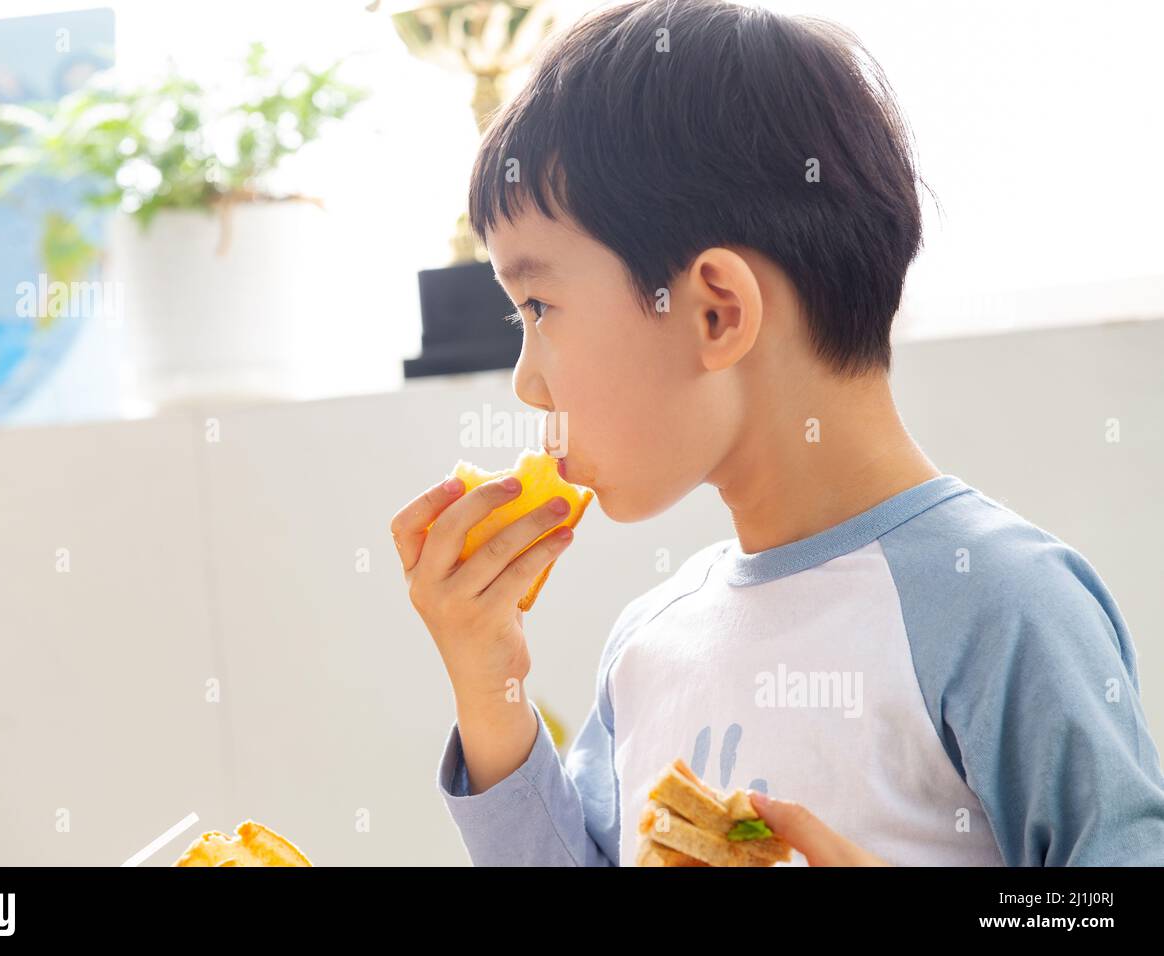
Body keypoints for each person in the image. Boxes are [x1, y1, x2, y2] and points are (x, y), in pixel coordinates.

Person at [390, 0, 1164, 866]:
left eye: (539, 307)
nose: (528, 383)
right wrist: (488, 685)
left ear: (716, 311)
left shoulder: (1001, 603)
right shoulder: (652, 640)